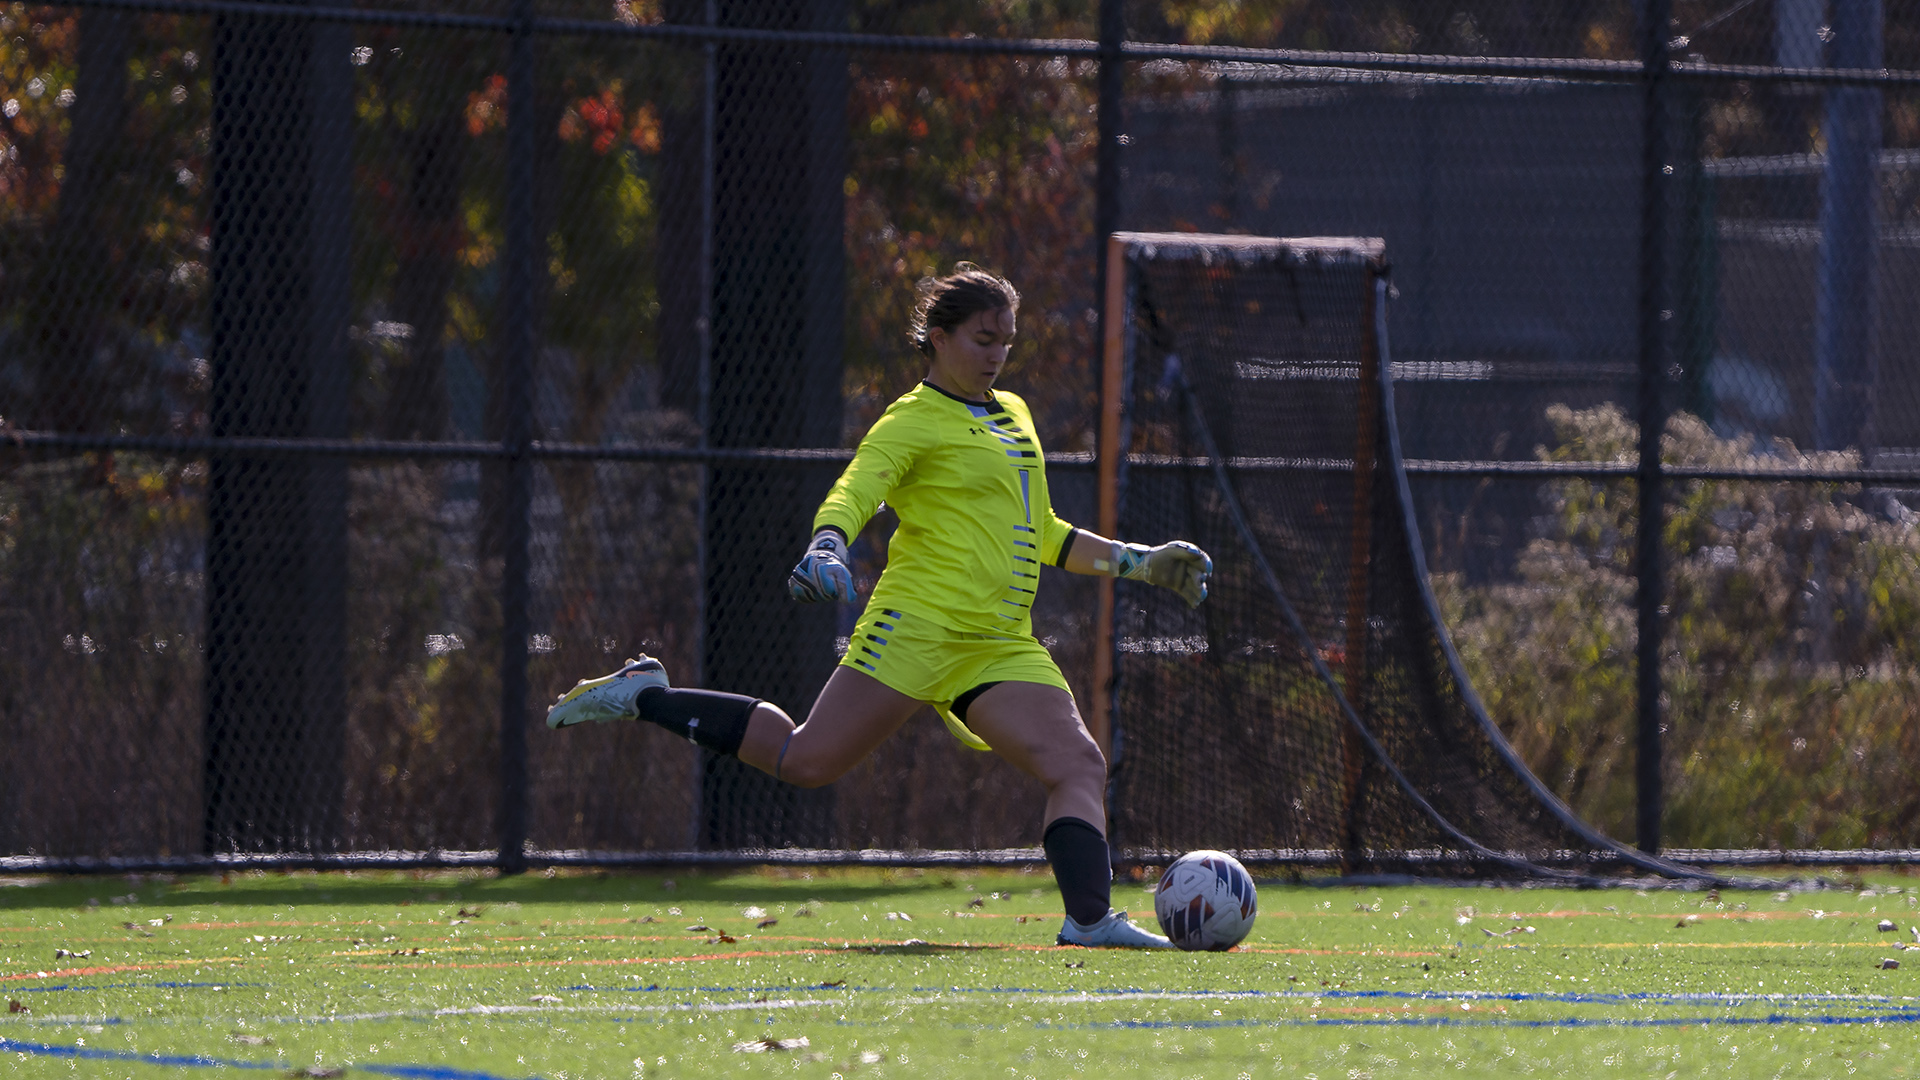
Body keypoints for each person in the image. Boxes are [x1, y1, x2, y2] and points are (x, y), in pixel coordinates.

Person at [547, 263, 1212, 948]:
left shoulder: (1014, 412)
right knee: (806, 760)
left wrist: (1139, 561)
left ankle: (1090, 921)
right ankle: (646, 695)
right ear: (938, 337)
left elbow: (1043, 532)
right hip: (916, 627)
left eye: (1006, 342)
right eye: (983, 339)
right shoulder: (912, 418)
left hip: (999, 643)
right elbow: (856, 489)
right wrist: (827, 545)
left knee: (1078, 764)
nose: (996, 355)